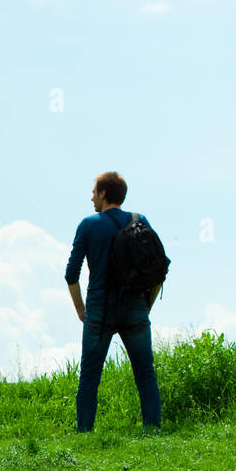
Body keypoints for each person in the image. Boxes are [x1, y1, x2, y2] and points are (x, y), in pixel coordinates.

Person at [64, 171, 163, 433]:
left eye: (94, 192)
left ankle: (84, 432)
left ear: (104, 193)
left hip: (99, 308)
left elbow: (71, 274)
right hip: (134, 307)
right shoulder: (139, 221)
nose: (92, 197)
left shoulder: (88, 225)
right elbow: (158, 270)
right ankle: (152, 429)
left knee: (89, 375)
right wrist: (146, 306)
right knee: (145, 373)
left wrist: (81, 309)